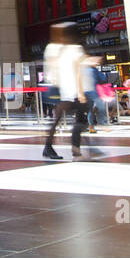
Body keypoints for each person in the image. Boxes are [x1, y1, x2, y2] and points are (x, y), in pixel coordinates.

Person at [43, 27, 89, 160]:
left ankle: (53, 147)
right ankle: (75, 148)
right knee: (66, 117)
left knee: (64, 117)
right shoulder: (54, 48)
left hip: (66, 88)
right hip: (59, 88)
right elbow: (53, 66)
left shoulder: (64, 48)